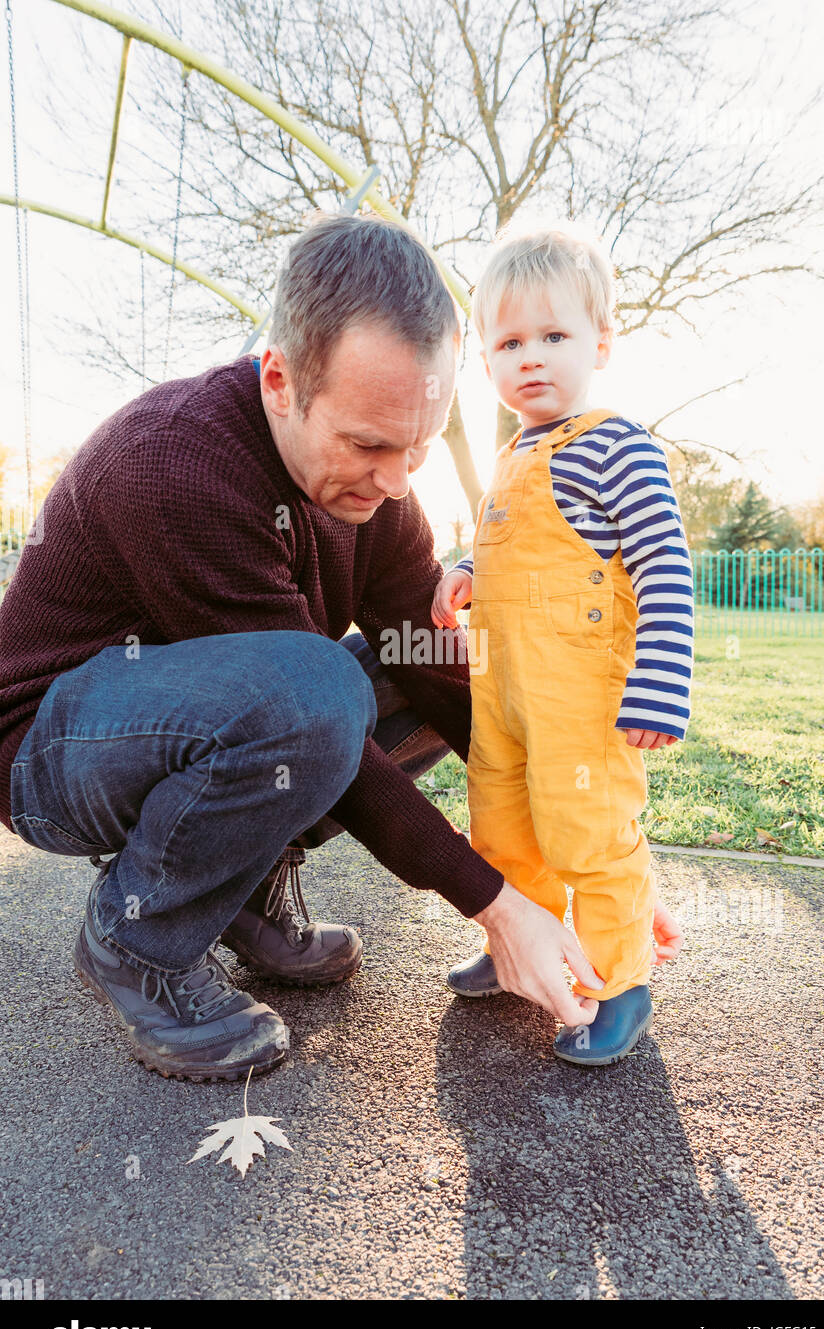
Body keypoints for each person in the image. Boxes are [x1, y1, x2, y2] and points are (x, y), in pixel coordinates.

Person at [0, 211, 681, 1083]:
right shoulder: (175, 462)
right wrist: (499, 908)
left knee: (427, 658)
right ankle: (139, 939)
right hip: (52, 746)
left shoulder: (385, 492)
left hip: (219, 716)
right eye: (367, 444)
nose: (398, 482)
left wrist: (591, 837)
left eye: (418, 448)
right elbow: (312, 724)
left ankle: (241, 894)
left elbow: (437, 683)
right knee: (316, 694)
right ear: (279, 379)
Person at [431, 222, 693, 1065]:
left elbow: (661, 563)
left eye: (553, 336)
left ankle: (621, 980)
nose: (531, 357)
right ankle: (523, 941)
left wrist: (659, 679)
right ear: (485, 361)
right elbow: (517, 543)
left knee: (587, 835)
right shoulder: (510, 455)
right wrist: (467, 566)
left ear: (601, 343)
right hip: (504, 694)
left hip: (582, 703)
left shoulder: (617, 447)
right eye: (509, 342)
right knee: (501, 825)